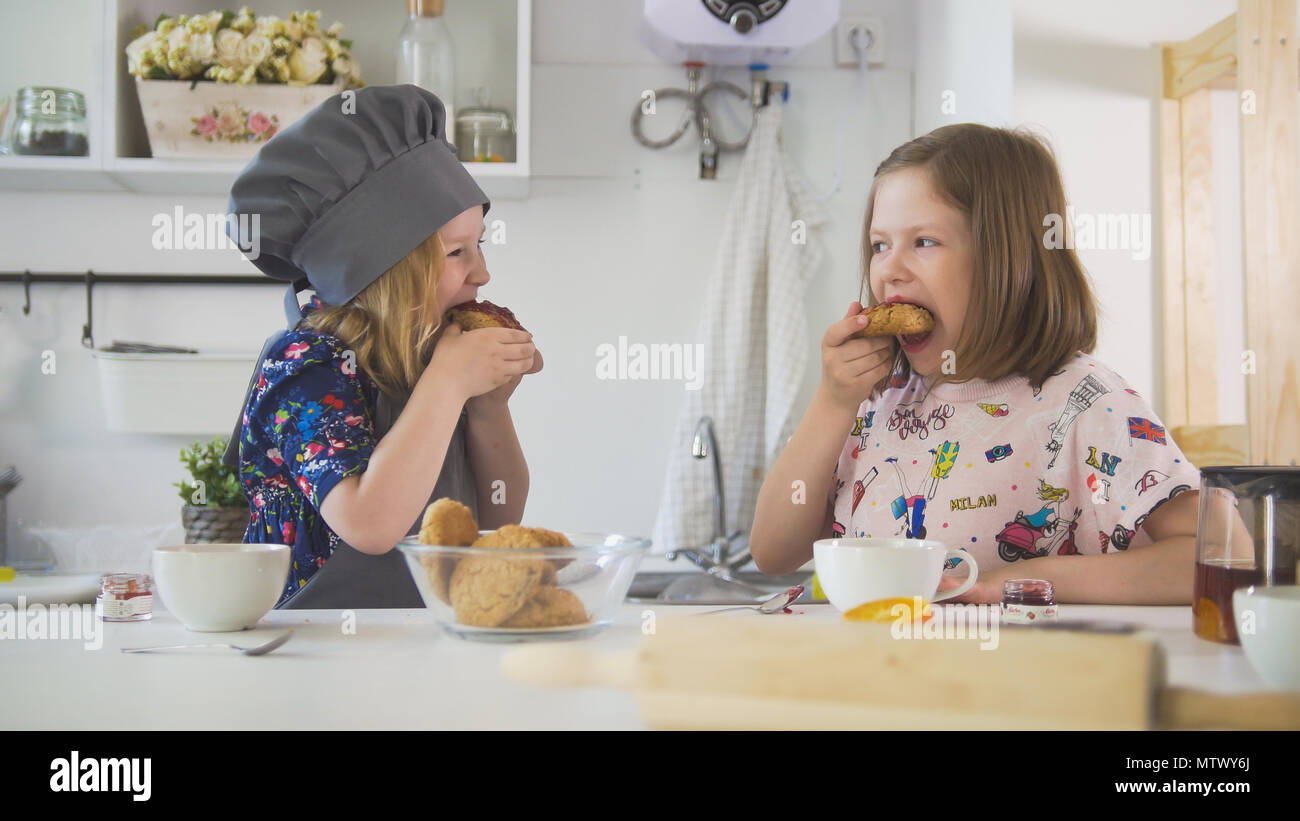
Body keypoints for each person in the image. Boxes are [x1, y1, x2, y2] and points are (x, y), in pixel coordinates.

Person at [751, 123, 1201, 604]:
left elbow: (1208, 556)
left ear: (1005, 258)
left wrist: (1015, 581)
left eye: (924, 241)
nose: (889, 269)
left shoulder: (1084, 400)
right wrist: (832, 402)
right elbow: (773, 551)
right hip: (880, 672)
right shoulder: (879, 399)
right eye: (880, 245)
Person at [221, 85, 540, 607]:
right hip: (308, 650)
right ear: (383, 272)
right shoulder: (303, 367)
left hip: (426, 636)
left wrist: (487, 408)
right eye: (457, 252)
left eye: (479, 243)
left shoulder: (431, 352)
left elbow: (497, 519)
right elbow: (369, 525)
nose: (483, 272)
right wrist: (449, 383)